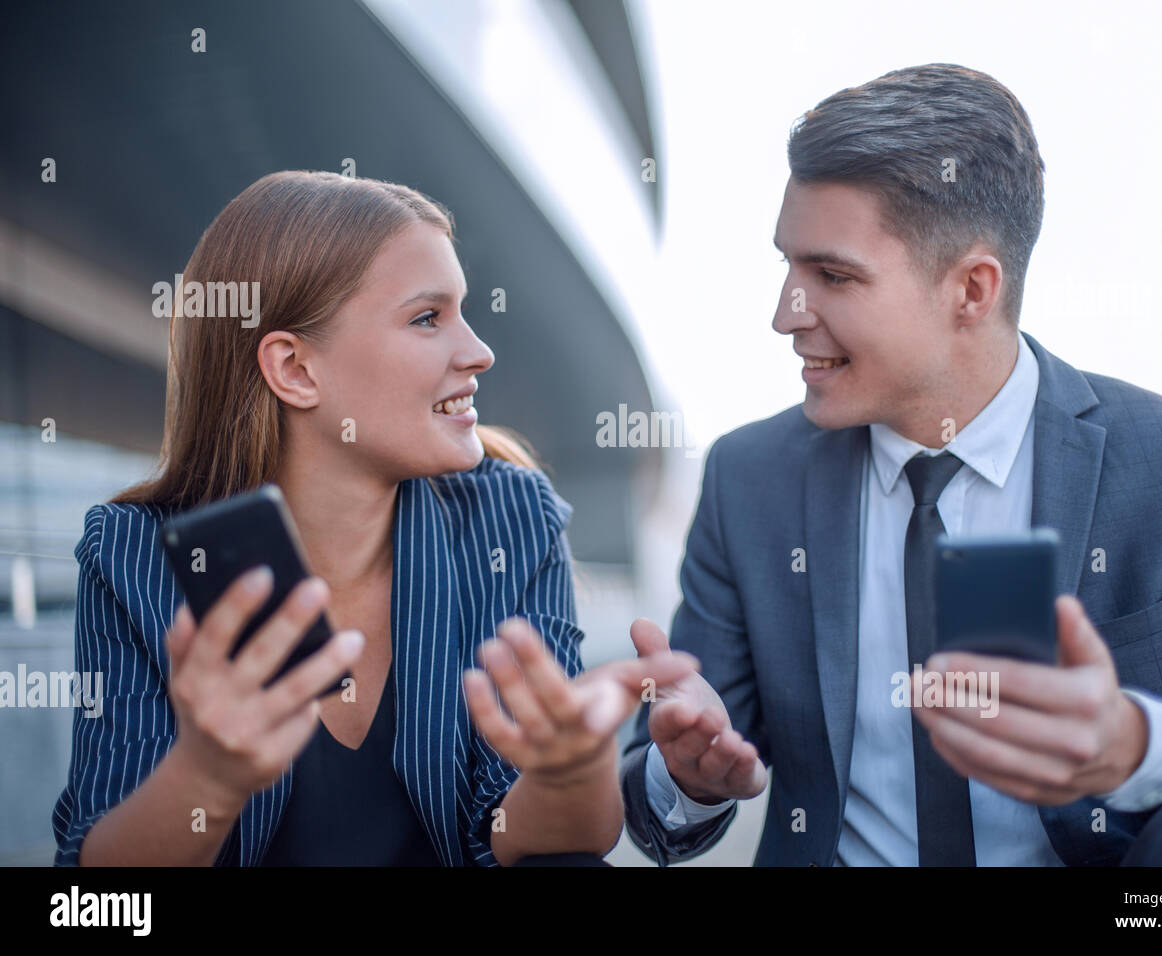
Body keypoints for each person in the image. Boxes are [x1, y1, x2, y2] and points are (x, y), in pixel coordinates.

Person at [620, 63, 1162, 866]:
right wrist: (686, 775)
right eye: (788, 269)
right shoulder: (749, 479)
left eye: (832, 276)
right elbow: (661, 801)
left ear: (972, 289)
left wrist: (1135, 745)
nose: (785, 316)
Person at [51, 170, 696, 866]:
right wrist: (206, 776)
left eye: (464, 310)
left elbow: (544, 845)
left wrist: (569, 771)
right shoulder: (133, 556)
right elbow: (94, 908)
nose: (479, 351)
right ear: (295, 369)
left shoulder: (510, 519)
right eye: (428, 318)